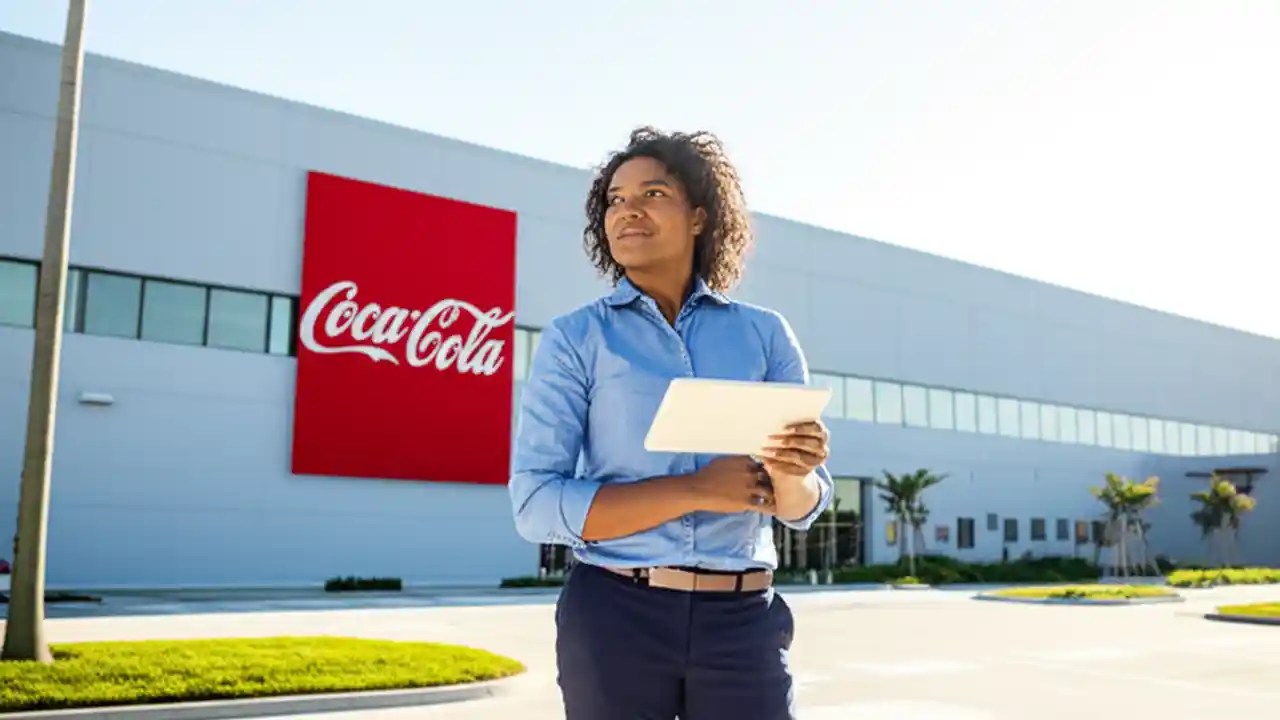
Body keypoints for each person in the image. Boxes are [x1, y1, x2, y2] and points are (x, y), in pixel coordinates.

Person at [508, 126, 833, 720]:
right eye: (614, 199)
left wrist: (796, 469)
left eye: (652, 193)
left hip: (743, 622)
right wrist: (694, 491)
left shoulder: (764, 334)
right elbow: (535, 504)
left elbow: (801, 506)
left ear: (701, 217)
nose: (627, 210)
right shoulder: (576, 338)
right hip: (615, 616)